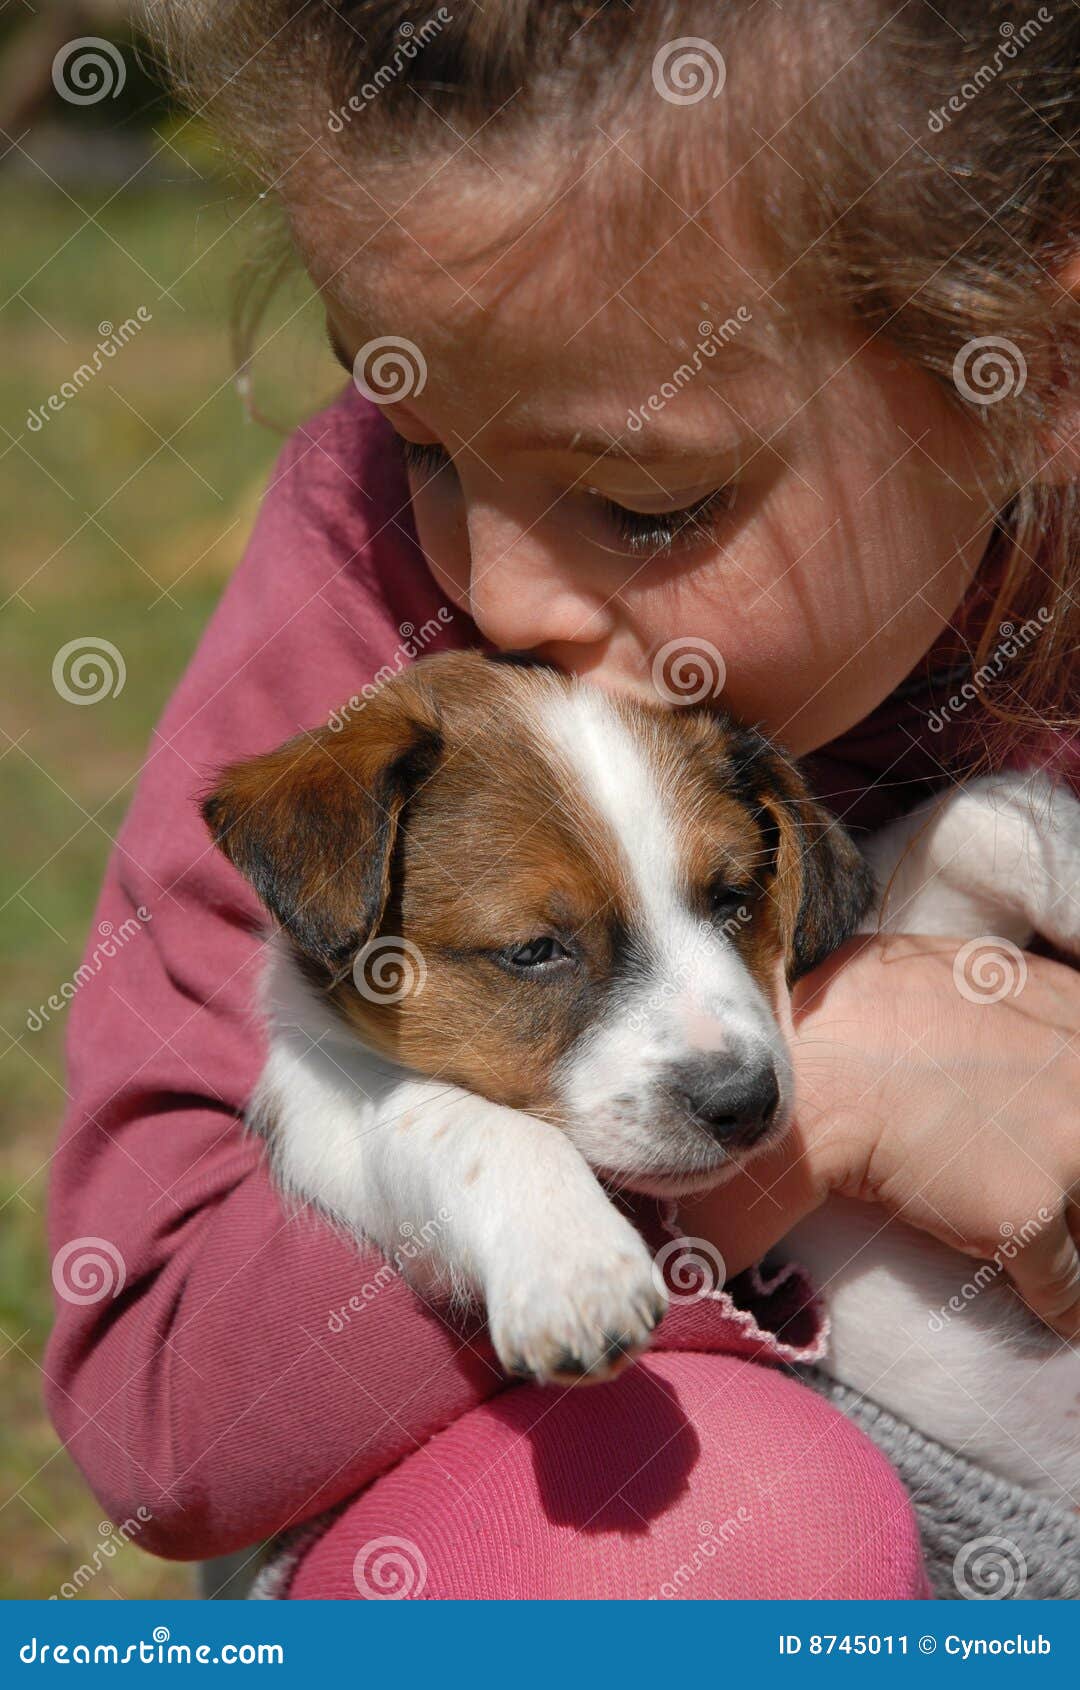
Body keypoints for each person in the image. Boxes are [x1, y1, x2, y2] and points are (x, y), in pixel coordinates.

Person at [46, 1, 1080, 1598]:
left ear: (1039, 355)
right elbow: (168, 1411)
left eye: (645, 501)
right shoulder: (366, 615)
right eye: (425, 444)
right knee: (713, 1526)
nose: (508, 595)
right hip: (547, 1519)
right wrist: (835, 1097)